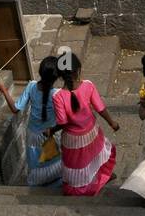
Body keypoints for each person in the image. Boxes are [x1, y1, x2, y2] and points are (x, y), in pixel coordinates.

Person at [50, 51, 119, 196]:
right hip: (92, 132)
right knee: (98, 154)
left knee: (78, 165)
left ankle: (81, 188)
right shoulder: (88, 85)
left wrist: (51, 130)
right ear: (78, 70)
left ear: (61, 75)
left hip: (72, 140)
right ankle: (103, 176)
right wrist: (112, 123)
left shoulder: (58, 96)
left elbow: (62, 122)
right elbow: (100, 108)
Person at [0, 56, 63, 187]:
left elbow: (15, 108)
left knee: (36, 161)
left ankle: (37, 184)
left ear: (40, 72)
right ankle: (55, 182)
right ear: (56, 77)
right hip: (49, 133)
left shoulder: (31, 87)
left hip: (33, 134)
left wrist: (3, 89)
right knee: (52, 160)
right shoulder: (58, 94)